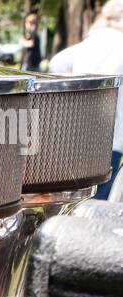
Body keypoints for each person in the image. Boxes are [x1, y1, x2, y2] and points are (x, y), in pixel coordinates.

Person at [50, 0, 123, 198]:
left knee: (74, 196)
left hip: (74, 133)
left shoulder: (92, 41)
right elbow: (111, 75)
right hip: (107, 138)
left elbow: (56, 64)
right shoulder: (120, 43)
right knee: (97, 203)